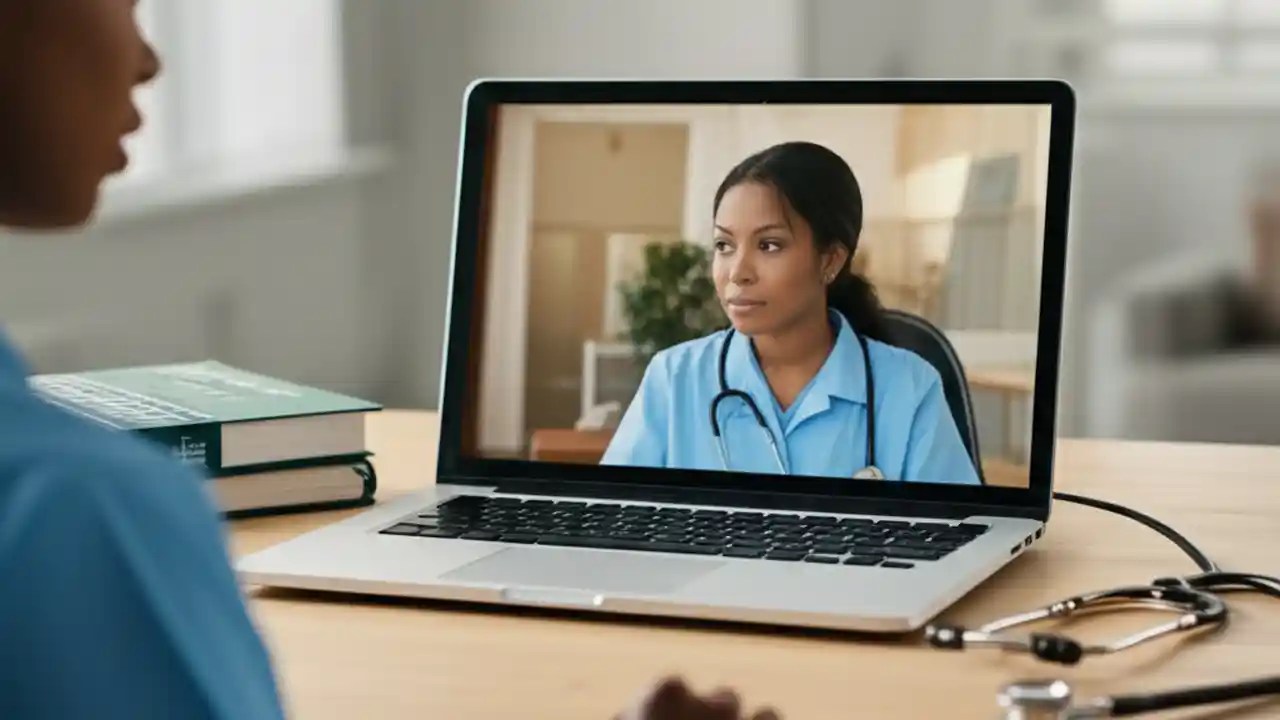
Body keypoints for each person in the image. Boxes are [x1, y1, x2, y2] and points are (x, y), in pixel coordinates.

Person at [0, 2, 779, 719]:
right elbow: (623, 513)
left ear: (833, 261)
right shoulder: (80, 512)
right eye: (128, 0)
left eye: (770, 245)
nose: (147, 58)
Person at [602, 141, 980, 485]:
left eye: (769, 245)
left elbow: (963, 536)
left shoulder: (909, 388)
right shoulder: (674, 379)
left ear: (830, 259)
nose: (738, 272)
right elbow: (611, 523)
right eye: (724, 244)